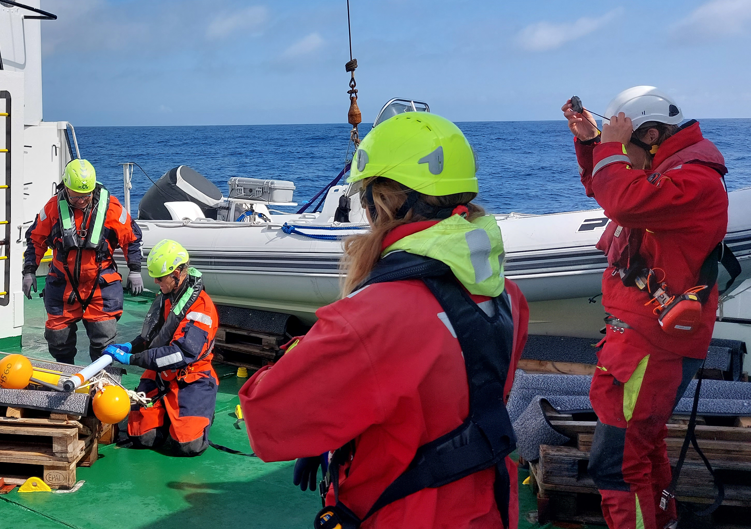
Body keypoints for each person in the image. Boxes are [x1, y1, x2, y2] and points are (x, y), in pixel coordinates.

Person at [239, 113, 529, 529]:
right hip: (487, 506)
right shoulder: (509, 298)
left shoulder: (371, 316)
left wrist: (301, 357)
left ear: (386, 202)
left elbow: (268, 418)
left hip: (406, 513)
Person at [564, 87, 729, 529]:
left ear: (651, 134)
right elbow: (608, 187)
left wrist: (607, 149)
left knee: (615, 466)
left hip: (653, 346)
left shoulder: (694, 180)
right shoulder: (667, 168)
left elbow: (622, 198)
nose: (624, 157)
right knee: (643, 447)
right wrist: (590, 143)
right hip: (640, 339)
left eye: (628, 145)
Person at [104, 239, 219, 456]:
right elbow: (153, 336)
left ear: (177, 273)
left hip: (191, 376)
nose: (156, 282)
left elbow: (180, 354)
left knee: (188, 446)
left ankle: (200, 409)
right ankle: (168, 413)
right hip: (161, 373)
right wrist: (131, 346)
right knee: (140, 437)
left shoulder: (201, 308)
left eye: (160, 277)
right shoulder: (167, 297)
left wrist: (131, 358)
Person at [22, 159, 143, 364]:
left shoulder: (111, 207)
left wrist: (135, 271)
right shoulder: (52, 208)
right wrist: (29, 270)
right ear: (65, 188)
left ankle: (102, 379)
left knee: (104, 338)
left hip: (100, 283)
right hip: (63, 284)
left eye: (85, 196)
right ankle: (65, 376)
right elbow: (35, 239)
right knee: (57, 338)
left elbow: (131, 237)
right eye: (76, 196)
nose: (81, 201)